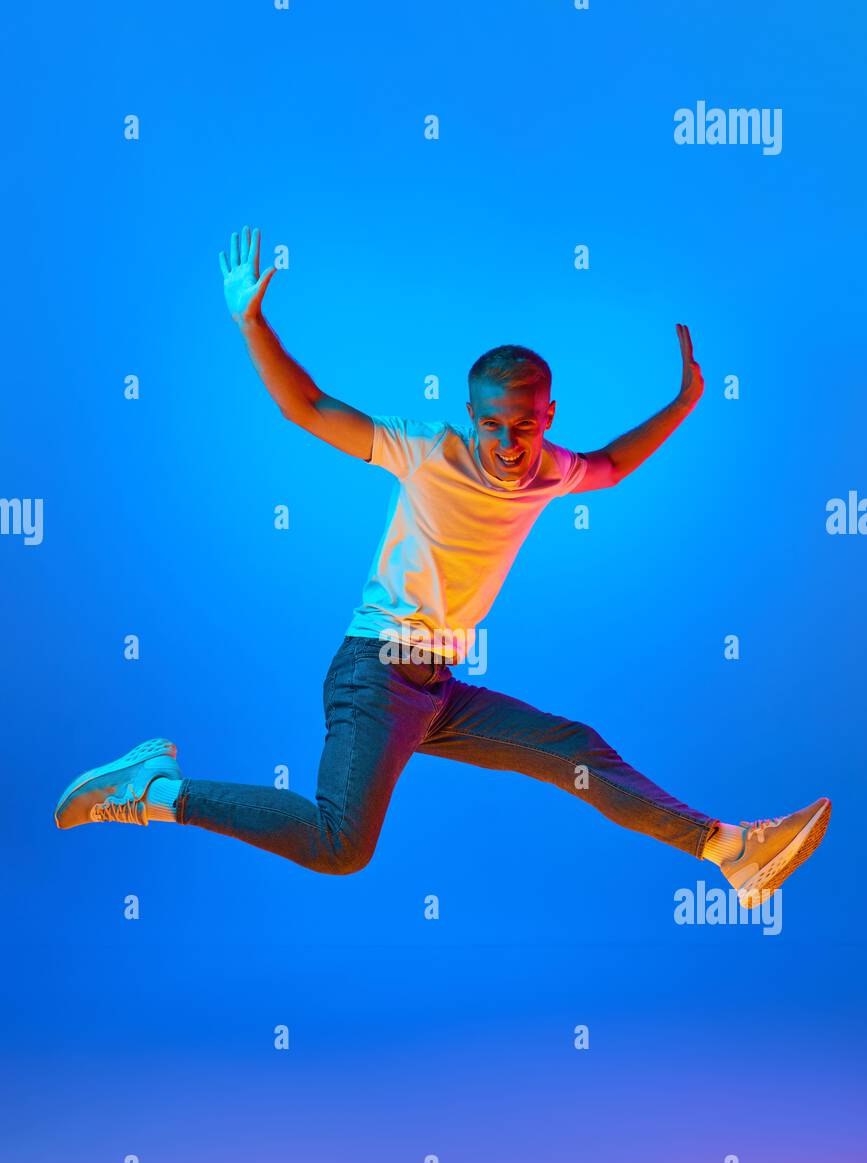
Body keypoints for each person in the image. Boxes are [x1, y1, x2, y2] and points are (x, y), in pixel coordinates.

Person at [54, 226, 831, 908]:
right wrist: (251, 320)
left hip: (435, 691)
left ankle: (731, 851)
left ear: (546, 418)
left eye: (522, 426)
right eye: (491, 424)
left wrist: (683, 402)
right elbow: (310, 408)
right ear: (470, 417)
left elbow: (612, 464)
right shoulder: (429, 450)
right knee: (339, 846)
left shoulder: (549, 470)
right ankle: (153, 790)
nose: (505, 443)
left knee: (574, 750)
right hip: (376, 672)